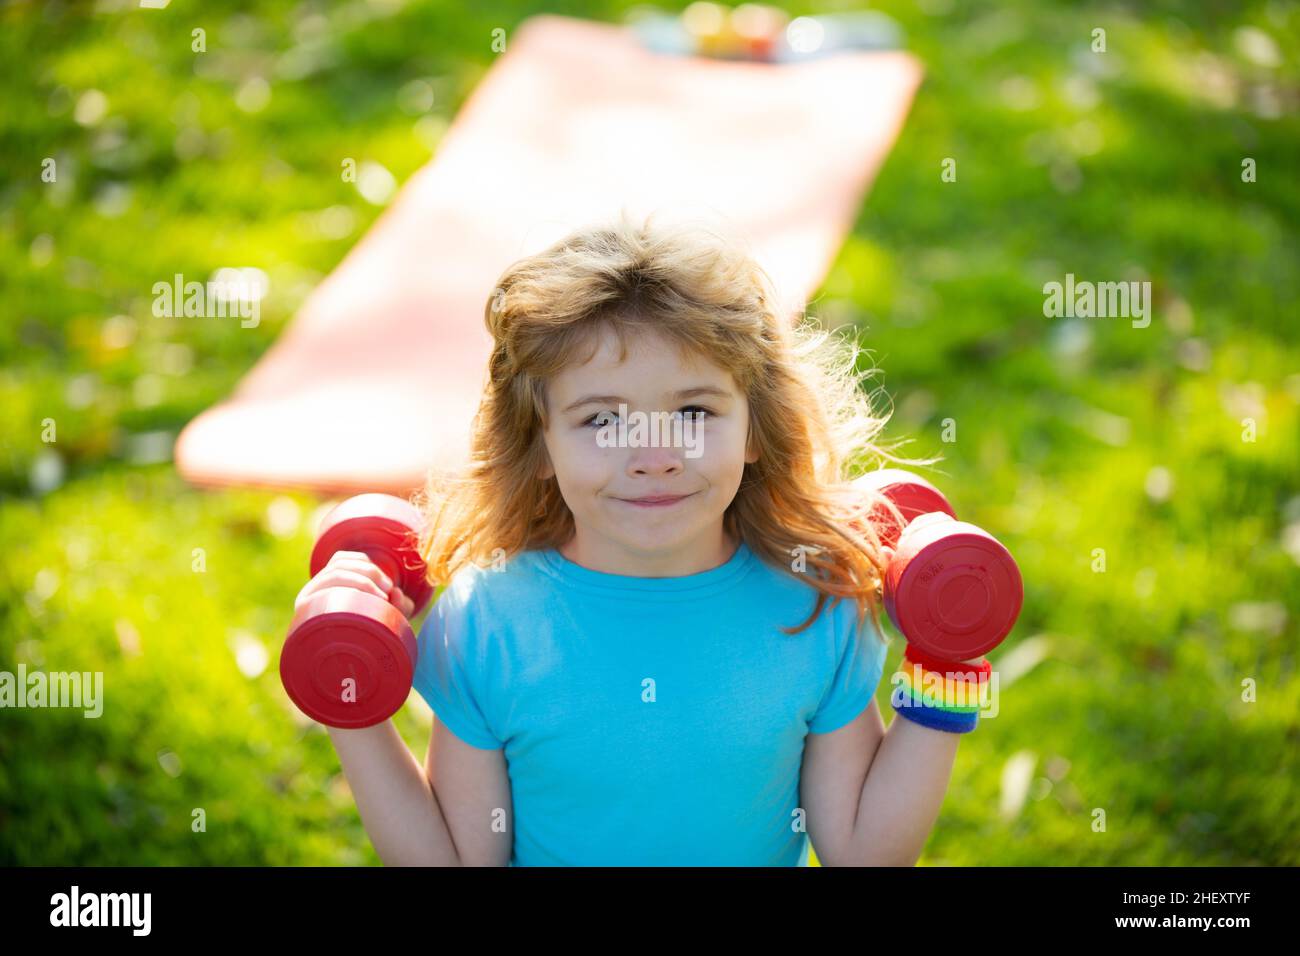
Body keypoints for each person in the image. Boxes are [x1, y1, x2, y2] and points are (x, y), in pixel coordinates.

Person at [310, 209, 976, 866]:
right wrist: (350, 703)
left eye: (692, 412)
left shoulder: (814, 607)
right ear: (538, 444)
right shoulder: (486, 623)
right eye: (602, 421)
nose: (654, 455)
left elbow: (864, 854)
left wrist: (947, 661)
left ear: (753, 427)